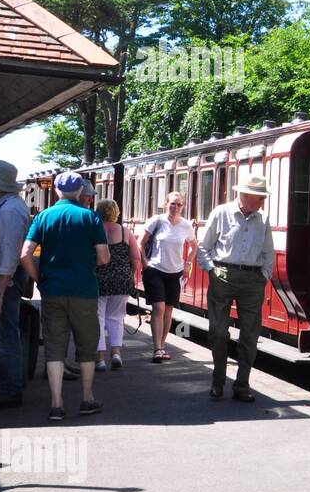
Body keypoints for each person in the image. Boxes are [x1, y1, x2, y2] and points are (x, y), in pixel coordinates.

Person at [19, 171, 109, 421]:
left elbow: (25, 254)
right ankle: (86, 398)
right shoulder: (90, 217)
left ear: (57, 191)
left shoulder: (43, 217)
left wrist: (39, 279)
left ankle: (56, 404)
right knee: (87, 345)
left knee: (55, 346)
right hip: (84, 291)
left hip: (52, 291)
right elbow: (103, 257)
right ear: (80, 191)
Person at [196, 175, 274, 402]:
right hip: (223, 274)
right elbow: (203, 246)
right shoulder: (221, 213)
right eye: (260, 198)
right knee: (219, 332)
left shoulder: (263, 219)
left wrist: (264, 276)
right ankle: (218, 381)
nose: (262, 202)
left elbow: (269, 252)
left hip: (253, 280)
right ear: (246, 196)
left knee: (250, 335)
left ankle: (242, 385)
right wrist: (211, 270)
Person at [0, 160, 32, 409]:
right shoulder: (0, 205)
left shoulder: (11, 210)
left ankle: (10, 390)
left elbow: (10, 256)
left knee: (4, 336)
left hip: (0, 279)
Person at [139, 190, 195, 363]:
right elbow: (140, 242)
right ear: (166, 204)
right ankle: (157, 348)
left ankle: (162, 346)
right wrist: (145, 264)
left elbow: (194, 246)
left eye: (179, 204)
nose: (176, 207)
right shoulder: (156, 221)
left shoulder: (185, 225)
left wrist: (187, 264)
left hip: (175, 272)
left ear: (182, 207)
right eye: (172, 203)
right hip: (155, 270)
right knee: (159, 308)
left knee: (168, 310)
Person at [94, 199, 142, 372]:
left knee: (98, 319)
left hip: (98, 280)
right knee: (116, 318)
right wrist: (129, 275)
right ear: (116, 212)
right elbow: (136, 257)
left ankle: (99, 359)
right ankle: (116, 354)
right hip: (121, 281)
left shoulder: (95, 231)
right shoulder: (124, 232)